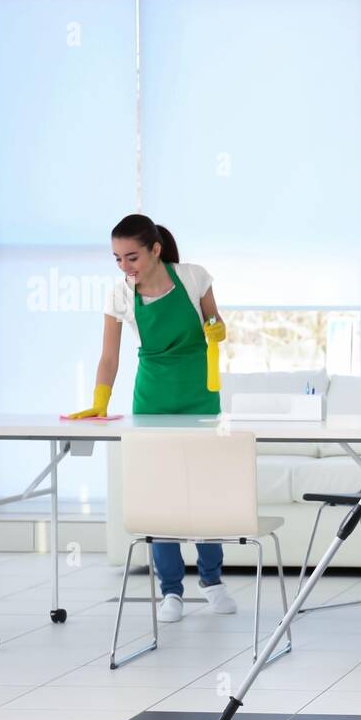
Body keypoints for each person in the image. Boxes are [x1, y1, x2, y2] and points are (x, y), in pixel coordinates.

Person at [68, 214, 238, 622]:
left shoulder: (193, 278)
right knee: (162, 496)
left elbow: (216, 324)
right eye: (118, 259)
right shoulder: (120, 297)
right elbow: (110, 356)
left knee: (204, 494)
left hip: (200, 398)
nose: (126, 267)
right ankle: (171, 592)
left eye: (132, 257)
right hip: (153, 399)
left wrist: (216, 330)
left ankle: (212, 580)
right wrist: (100, 399)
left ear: (155, 250)